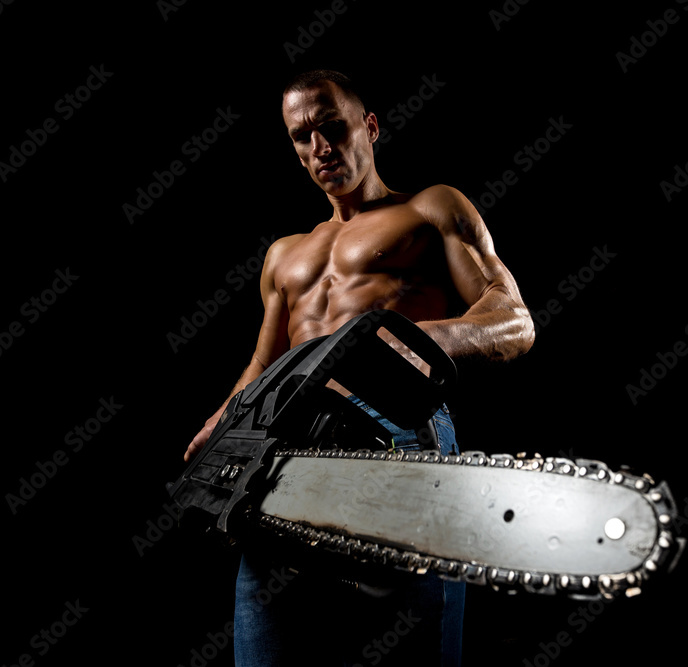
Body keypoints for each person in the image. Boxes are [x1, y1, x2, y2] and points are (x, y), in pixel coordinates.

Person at [183, 69, 534, 666]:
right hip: (280, 452)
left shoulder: (430, 207)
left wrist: (408, 340)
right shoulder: (283, 254)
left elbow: (513, 320)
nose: (320, 148)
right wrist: (220, 425)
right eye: (301, 136)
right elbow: (264, 362)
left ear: (368, 127)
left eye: (332, 127)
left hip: (394, 429)